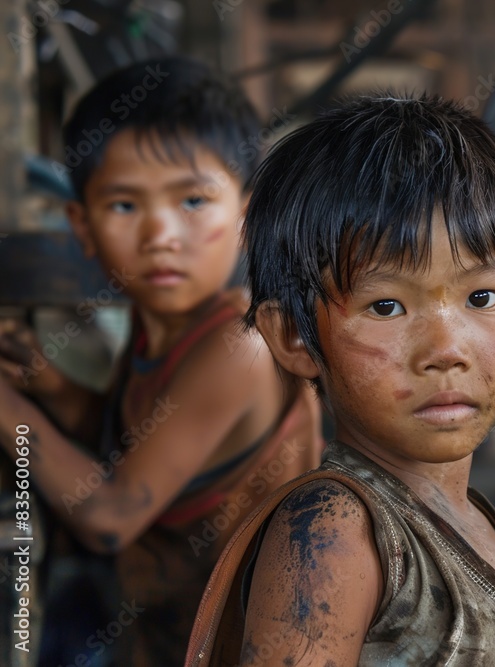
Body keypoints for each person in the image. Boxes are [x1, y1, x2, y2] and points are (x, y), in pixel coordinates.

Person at [195, 95, 495, 666]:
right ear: (295, 338)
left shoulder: (474, 522)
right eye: (387, 307)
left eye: (482, 297)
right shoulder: (335, 533)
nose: (445, 351)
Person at [0, 57, 323, 666]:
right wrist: (49, 383)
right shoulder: (160, 331)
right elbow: (136, 440)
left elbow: (110, 516)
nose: (160, 235)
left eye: (194, 200)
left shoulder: (240, 345)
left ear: (245, 219)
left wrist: (8, 406)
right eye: (124, 206)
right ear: (83, 225)